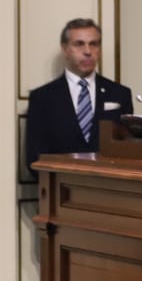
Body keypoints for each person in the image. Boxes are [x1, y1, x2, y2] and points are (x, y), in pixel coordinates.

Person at [25, 18, 134, 174]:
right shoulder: (42, 98)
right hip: (61, 189)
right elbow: (34, 158)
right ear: (65, 49)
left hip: (110, 189)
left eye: (94, 44)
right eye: (79, 44)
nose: (88, 51)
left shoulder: (119, 94)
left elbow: (127, 150)